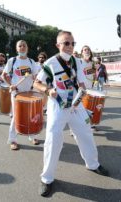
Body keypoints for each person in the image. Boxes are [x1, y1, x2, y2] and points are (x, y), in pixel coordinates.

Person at [33, 31, 109, 197]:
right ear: (58, 45)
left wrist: (82, 95)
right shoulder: (51, 62)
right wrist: (48, 90)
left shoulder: (77, 62)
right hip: (58, 106)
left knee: (86, 133)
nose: (70, 46)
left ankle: (93, 164)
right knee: (53, 140)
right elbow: (36, 83)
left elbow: (81, 82)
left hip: (76, 104)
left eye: (72, 43)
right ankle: (47, 179)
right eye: (66, 43)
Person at [2, 40, 40, 150]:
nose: (22, 48)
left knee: (32, 114)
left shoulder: (32, 62)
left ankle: (32, 135)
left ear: (27, 48)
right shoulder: (12, 60)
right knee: (16, 116)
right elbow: (4, 75)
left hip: (29, 92)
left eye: (24, 46)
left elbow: (35, 76)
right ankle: (13, 140)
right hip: (17, 92)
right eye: (20, 46)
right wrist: (11, 85)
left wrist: (35, 80)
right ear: (17, 48)